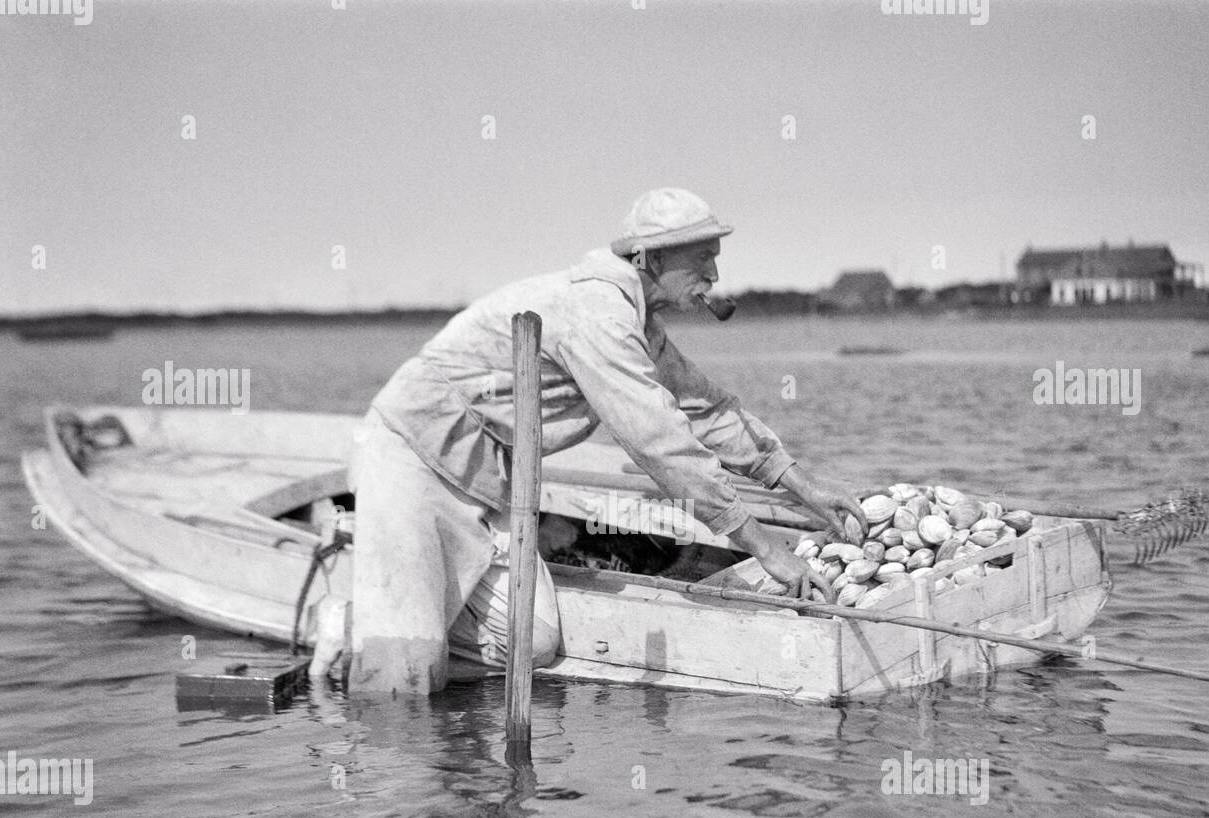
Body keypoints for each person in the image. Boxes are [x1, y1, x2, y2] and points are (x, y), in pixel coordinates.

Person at [332, 188, 865, 694]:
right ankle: (372, 636)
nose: (714, 273)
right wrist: (765, 548)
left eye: (715, 257)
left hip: (486, 474)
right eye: (702, 257)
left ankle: (378, 619)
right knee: (402, 675)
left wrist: (802, 484)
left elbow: (706, 411)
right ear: (649, 258)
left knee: (532, 642)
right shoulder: (598, 317)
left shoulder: (634, 320)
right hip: (415, 455)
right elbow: (659, 444)